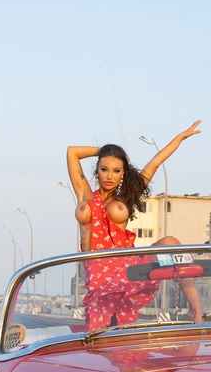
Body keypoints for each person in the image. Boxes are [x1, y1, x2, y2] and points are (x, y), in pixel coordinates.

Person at [67, 121, 204, 329]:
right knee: (103, 342)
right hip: (98, 275)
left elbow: (155, 163)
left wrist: (179, 138)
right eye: (104, 169)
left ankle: (196, 309)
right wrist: (104, 151)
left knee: (172, 244)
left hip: (127, 268)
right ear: (97, 169)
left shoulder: (126, 198)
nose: (109, 176)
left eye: (116, 170)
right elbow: (71, 153)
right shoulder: (84, 193)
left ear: (123, 173)